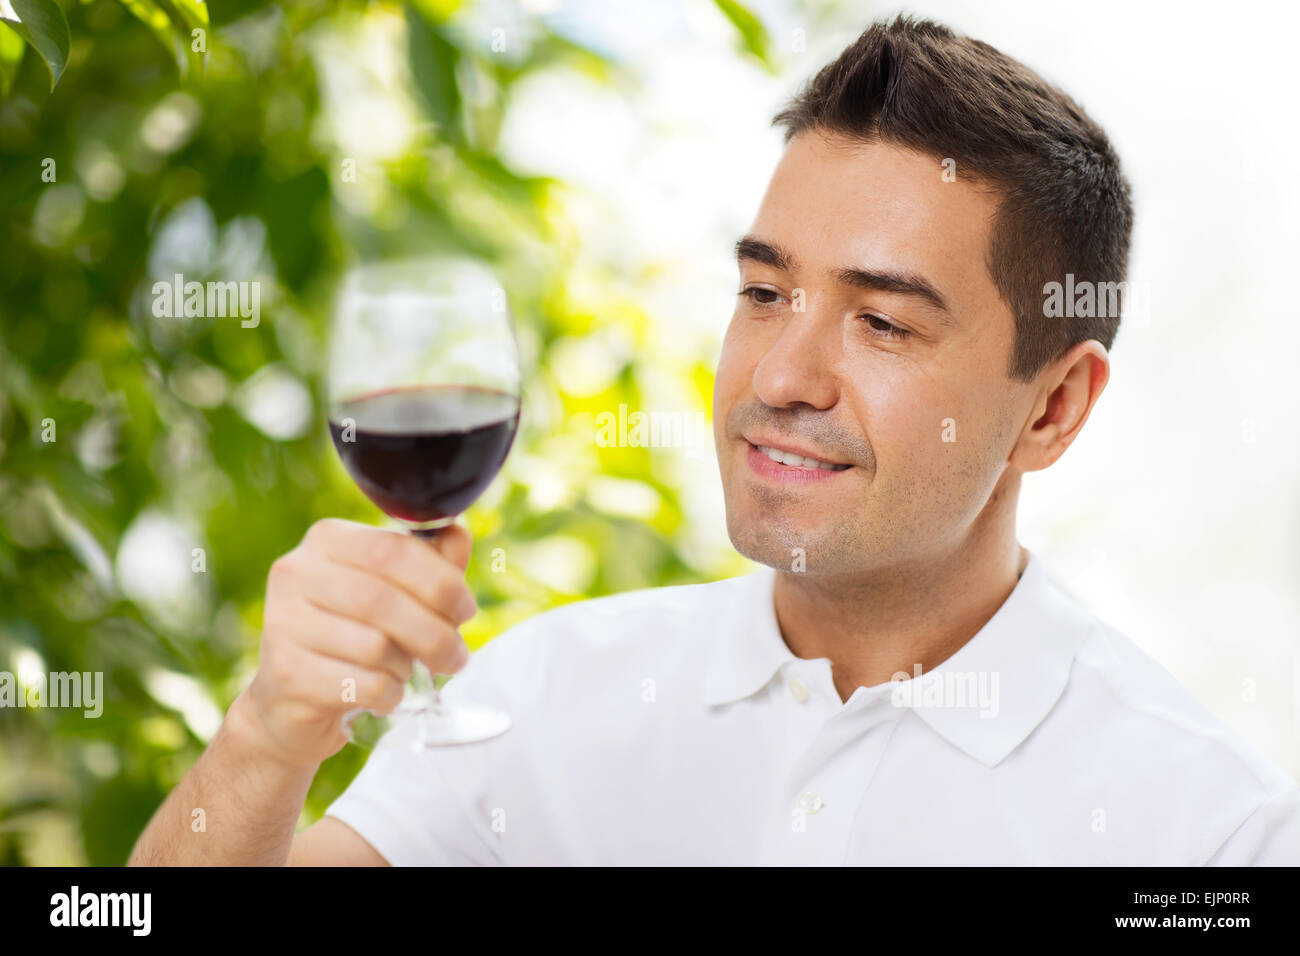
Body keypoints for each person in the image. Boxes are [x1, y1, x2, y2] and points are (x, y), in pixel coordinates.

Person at [129, 15, 1300, 866]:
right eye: (763, 293)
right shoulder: (537, 705)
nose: (781, 377)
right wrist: (268, 736)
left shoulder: (1207, 834)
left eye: (882, 321)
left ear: (1051, 408)